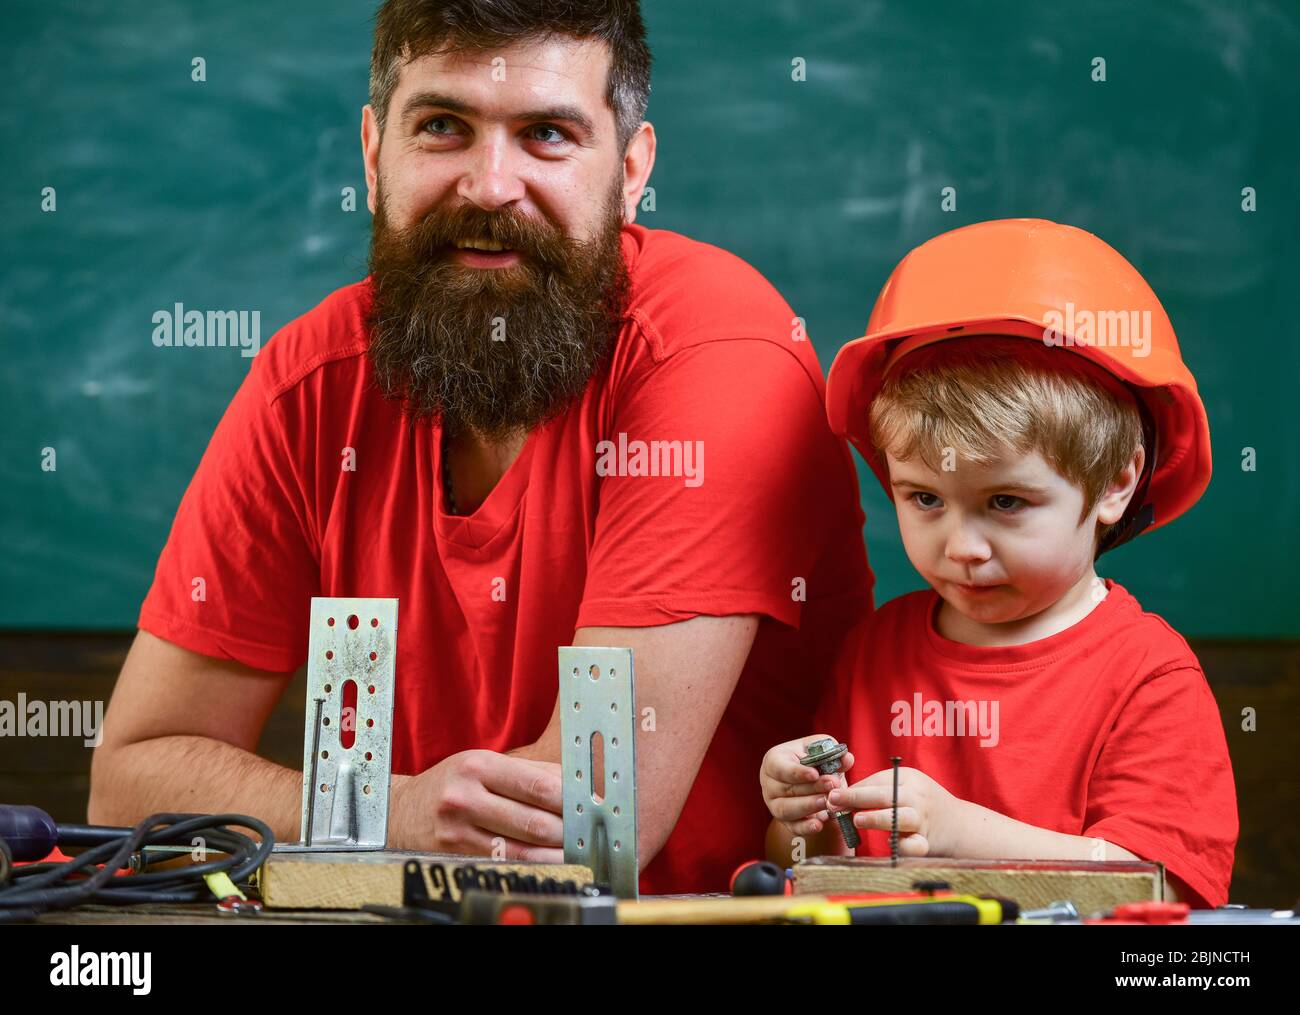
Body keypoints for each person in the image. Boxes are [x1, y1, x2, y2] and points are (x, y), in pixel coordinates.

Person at [89, 0, 873, 894]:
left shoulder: (718, 350)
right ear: (374, 153)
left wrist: (360, 811)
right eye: (443, 127)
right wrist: (389, 807)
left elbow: (588, 819)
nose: (489, 185)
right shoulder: (308, 381)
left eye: (546, 134)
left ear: (632, 168)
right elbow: (125, 781)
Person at [760, 218, 1237, 907]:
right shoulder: (874, 653)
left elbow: (1162, 886)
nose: (962, 546)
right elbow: (811, 871)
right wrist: (800, 818)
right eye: (925, 497)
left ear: (1115, 483)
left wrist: (962, 830)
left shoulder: (1149, 677)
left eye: (1006, 501)